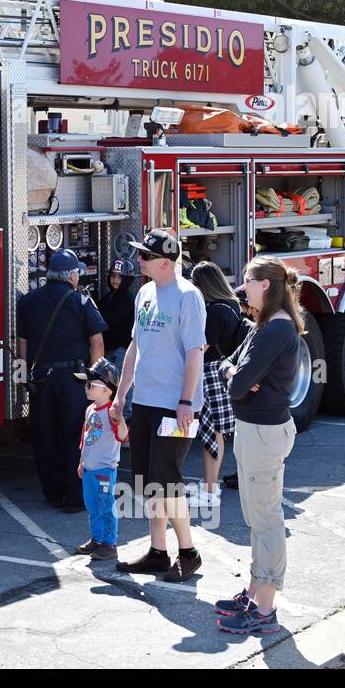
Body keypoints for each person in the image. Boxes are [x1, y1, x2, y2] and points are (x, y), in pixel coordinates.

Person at [215, 256, 307, 634]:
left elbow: (235, 383)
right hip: (254, 429)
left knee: (266, 520)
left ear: (266, 285)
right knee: (256, 518)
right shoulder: (262, 326)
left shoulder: (274, 332)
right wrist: (236, 374)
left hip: (264, 433)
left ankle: (265, 609)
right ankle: (254, 591)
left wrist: (238, 377)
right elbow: (227, 366)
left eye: (249, 280)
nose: (242, 286)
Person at [112, 229, 206, 583]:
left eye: (145, 257)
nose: (139, 261)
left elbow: (195, 352)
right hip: (147, 402)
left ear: (166, 262)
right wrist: (122, 395)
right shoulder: (146, 293)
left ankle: (188, 552)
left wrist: (186, 401)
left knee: (167, 481)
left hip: (175, 406)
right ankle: (156, 552)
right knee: (147, 481)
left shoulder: (188, 297)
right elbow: (135, 348)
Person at [17, 249, 107, 512]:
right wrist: (93, 376)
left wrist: (26, 375)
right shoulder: (81, 301)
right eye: (77, 272)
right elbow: (97, 341)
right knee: (73, 435)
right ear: (70, 276)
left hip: (41, 377)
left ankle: (52, 492)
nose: (78, 276)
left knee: (44, 434)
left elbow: (22, 343)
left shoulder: (28, 301)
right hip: (74, 379)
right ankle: (72, 496)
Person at [188, 261, 248, 509]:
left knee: (211, 435)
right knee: (218, 434)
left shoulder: (214, 312)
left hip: (211, 373)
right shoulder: (233, 305)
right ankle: (210, 489)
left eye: (196, 285)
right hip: (224, 371)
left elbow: (201, 348)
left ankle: (210, 491)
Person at [73, 357, 128, 560]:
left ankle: (110, 543)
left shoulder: (112, 412)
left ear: (107, 390)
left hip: (104, 469)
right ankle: (97, 539)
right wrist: (81, 462)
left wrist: (120, 418)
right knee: (92, 506)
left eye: (91, 385)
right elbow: (85, 439)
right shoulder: (90, 409)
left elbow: (123, 436)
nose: (86, 388)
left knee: (106, 506)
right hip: (89, 468)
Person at [99, 258, 139, 417]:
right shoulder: (108, 297)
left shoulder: (130, 299)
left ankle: (127, 422)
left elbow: (114, 320)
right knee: (109, 387)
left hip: (122, 351)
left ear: (127, 279)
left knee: (125, 387)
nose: (115, 280)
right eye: (113, 276)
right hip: (108, 350)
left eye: (120, 277)